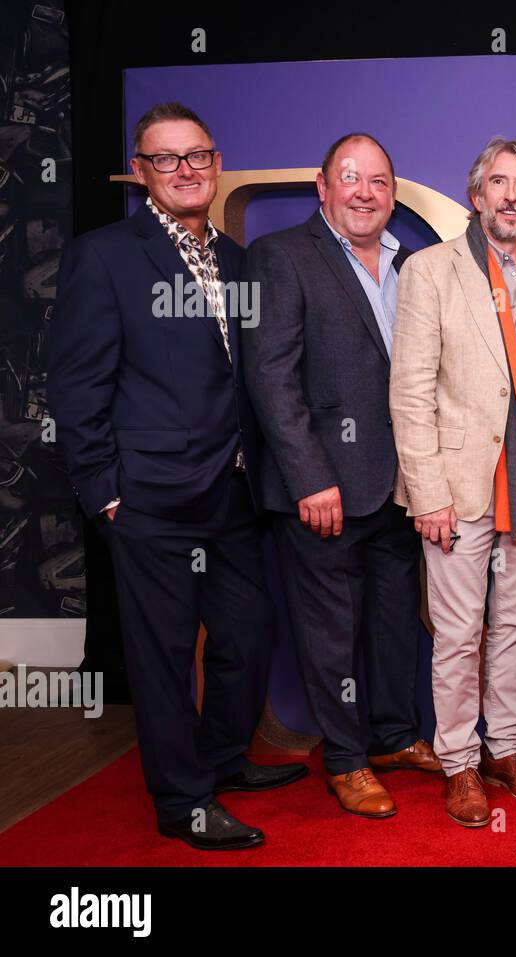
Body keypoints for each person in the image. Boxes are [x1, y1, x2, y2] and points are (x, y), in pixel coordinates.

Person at [47, 102, 306, 850]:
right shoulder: (105, 256)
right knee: (163, 657)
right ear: (141, 173)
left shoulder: (235, 257)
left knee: (248, 634)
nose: (185, 170)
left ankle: (223, 760)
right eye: (167, 159)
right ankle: (183, 799)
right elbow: (76, 386)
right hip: (149, 499)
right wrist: (106, 493)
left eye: (197, 156)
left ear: (217, 164)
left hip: (231, 489)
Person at [244, 133, 438, 820]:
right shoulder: (282, 256)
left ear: (392, 192)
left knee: (392, 622)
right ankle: (348, 759)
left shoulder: (409, 264)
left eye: (379, 180)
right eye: (350, 178)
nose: (365, 192)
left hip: (395, 486)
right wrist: (308, 476)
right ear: (322, 187)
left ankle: (392, 736)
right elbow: (269, 376)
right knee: (330, 631)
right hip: (322, 487)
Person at [390, 137, 516, 828]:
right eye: (498, 182)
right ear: (477, 196)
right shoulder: (431, 270)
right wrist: (428, 490)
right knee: (459, 633)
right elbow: (409, 392)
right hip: (459, 485)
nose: (511, 195)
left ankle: (505, 749)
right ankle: (460, 762)